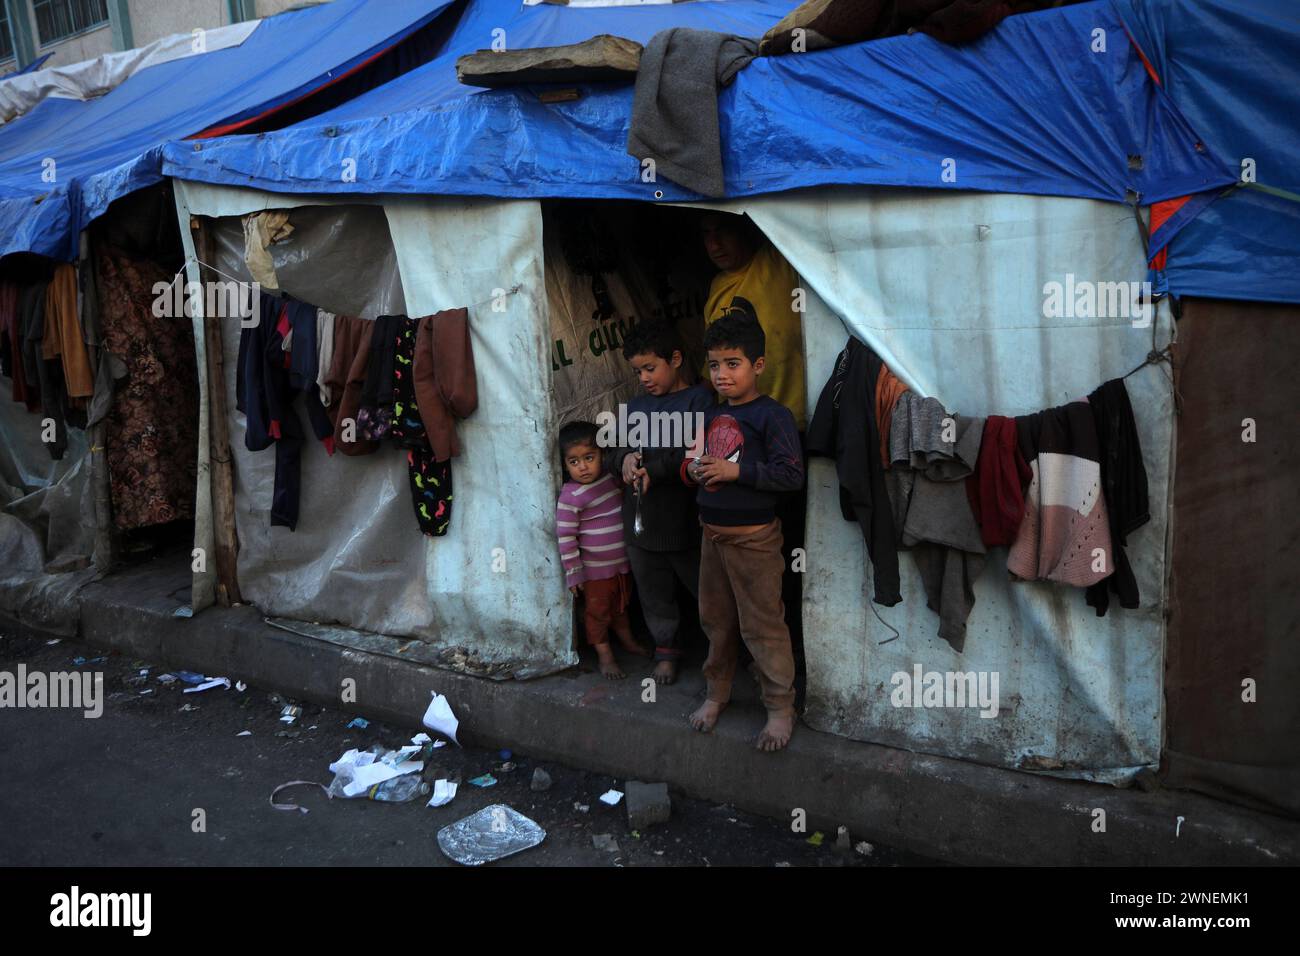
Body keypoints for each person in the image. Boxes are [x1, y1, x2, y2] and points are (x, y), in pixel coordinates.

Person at [685, 314, 804, 751]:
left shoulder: (772, 415)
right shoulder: (713, 413)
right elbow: (700, 459)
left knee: (763, 626)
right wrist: (696, 470)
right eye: (715, 365)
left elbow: (791, 475)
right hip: (711, 536)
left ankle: (779, 707)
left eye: (733, 363)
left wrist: (736, 471)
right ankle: (717, 693)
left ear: (758, 365)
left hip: (754, 540)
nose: (722, 374)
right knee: (716, 622)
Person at [615, 321, 715, 685]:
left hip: (683, 521)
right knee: (654, 594)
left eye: (650, 368)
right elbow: (617, 449)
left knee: (707, 592)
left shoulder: (699, 401)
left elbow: (695, 454)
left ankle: (725, 654)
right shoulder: (636, 405)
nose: (643, 377)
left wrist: (654, 470)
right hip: (641, 523)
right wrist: (624, 459)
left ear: (675, 359)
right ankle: (666, 652)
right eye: (637, 370)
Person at [555, 421, 650, 679]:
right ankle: (605, 656)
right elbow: (565, 536)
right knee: (597, 614)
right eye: (574, 462)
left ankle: (627, 641)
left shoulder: (611, 480)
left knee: (621, 607)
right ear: (564, 464)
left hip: (621, 565)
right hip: (595, 573)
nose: (583, 467)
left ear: (603, 455)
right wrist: (574, 573)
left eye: (589, 457)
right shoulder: (571, 496)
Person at [700, 211, 807, 429]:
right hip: (738, 425)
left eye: (723, 231)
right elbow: (710, 366)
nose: (715, 245)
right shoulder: (716, 288)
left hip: (792, 418)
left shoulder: (778, 261)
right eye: (706, 234)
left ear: (745, 229)